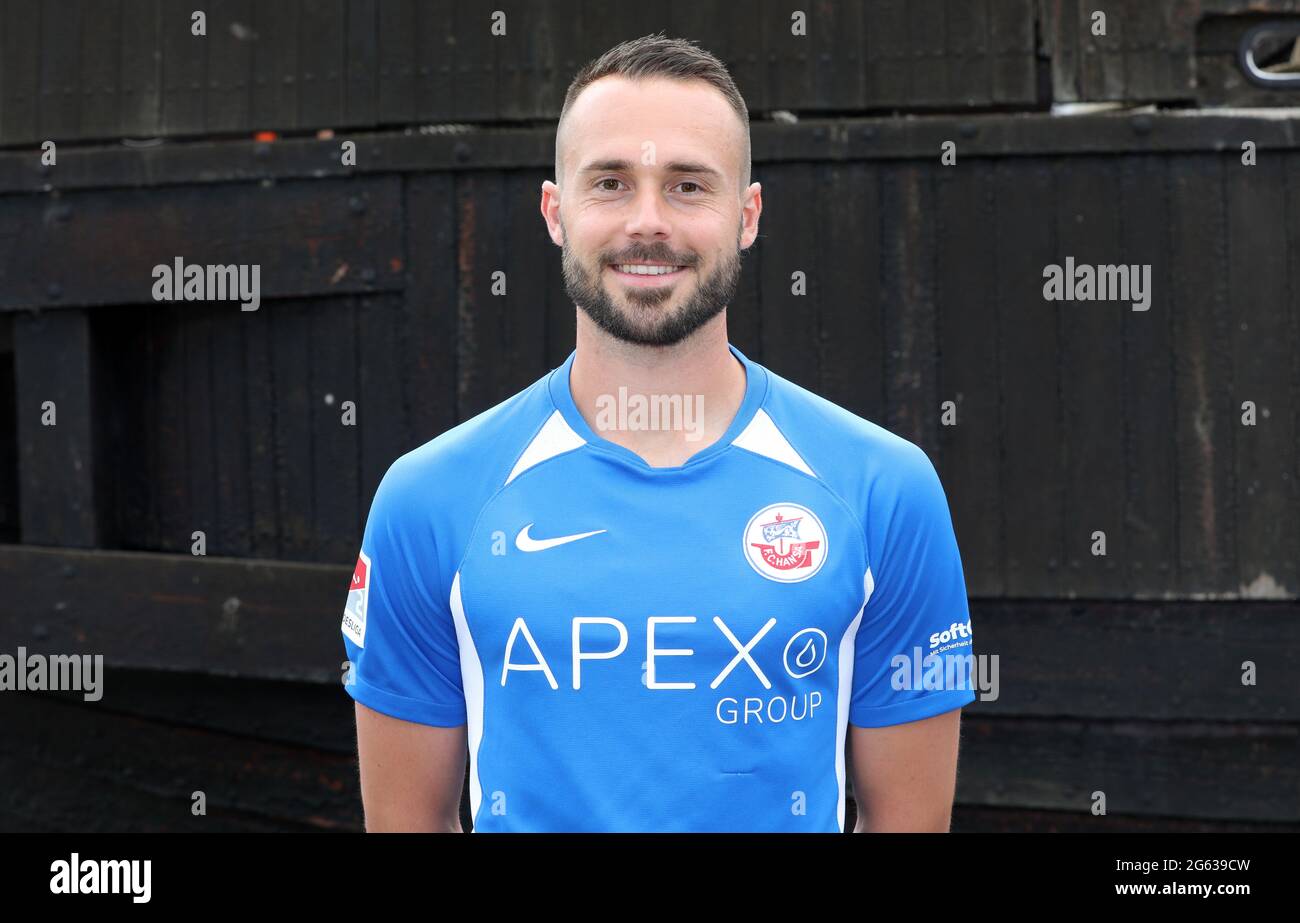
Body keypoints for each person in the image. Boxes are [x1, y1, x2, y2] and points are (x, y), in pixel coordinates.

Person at [342, 32, 975, 833]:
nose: (648, 222)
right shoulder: (428, 498)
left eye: (687, 186)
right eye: (610, 182)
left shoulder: (885, 490)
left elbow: (908, 823)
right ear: (555, 212)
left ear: (746, 216)